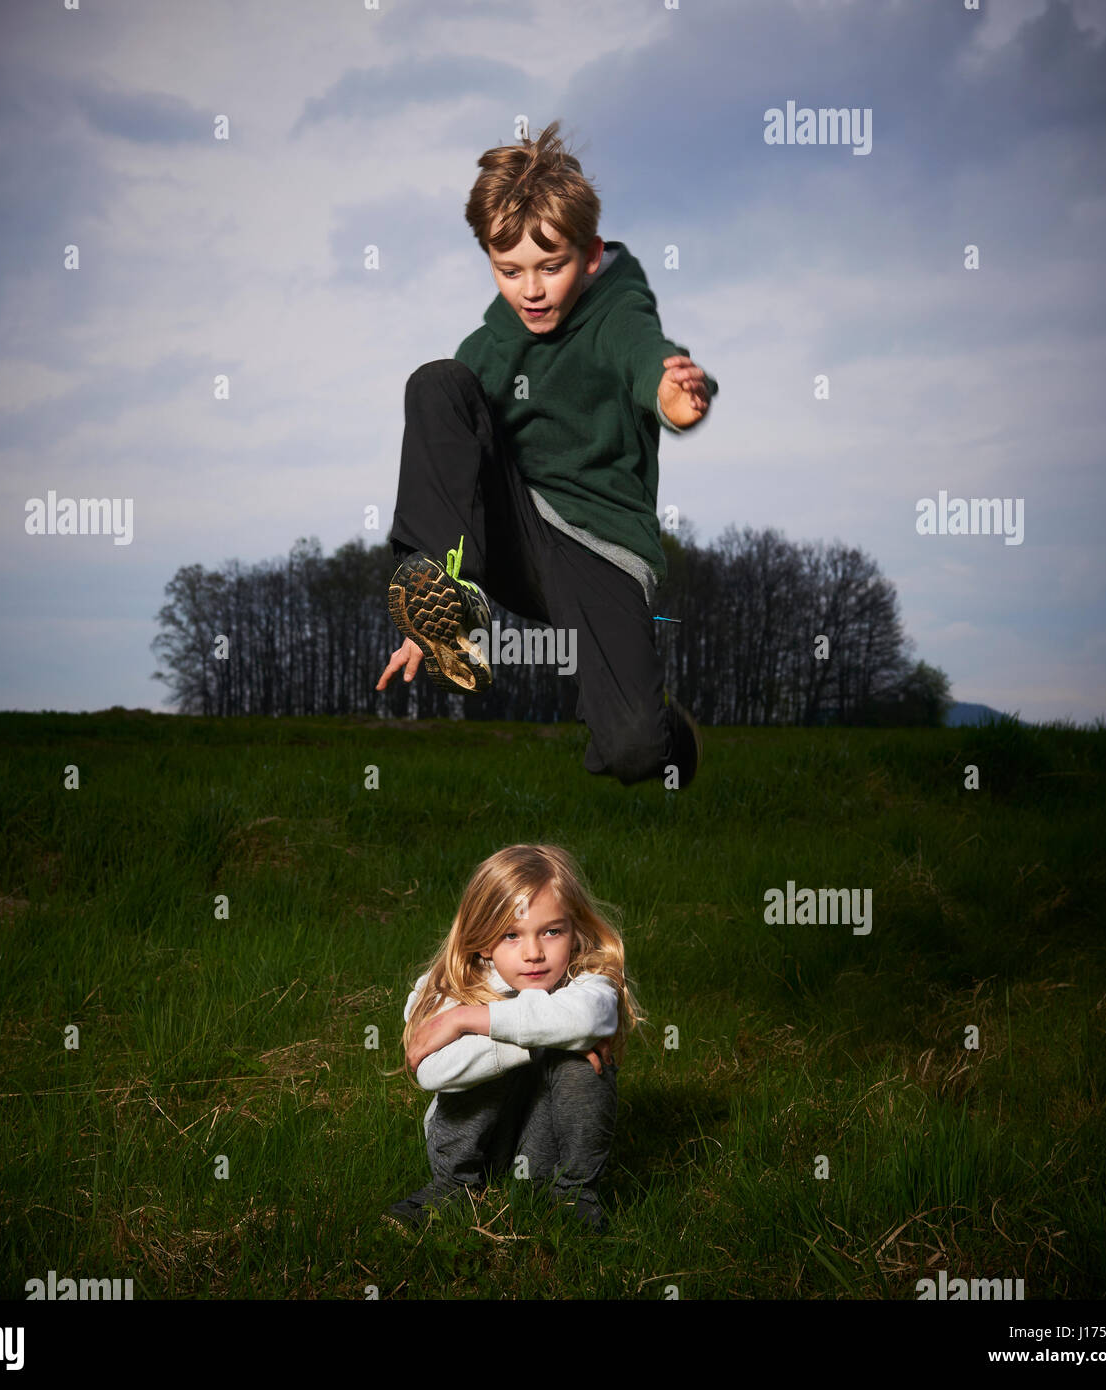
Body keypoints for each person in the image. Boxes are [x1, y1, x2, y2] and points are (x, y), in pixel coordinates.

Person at [377, 120, 717, 788]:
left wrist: (671, 396)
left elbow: (643, 353)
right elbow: (450, 452)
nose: (531, 290)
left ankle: (666, 729)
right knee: (440, 382)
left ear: (589, 257)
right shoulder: (489, 347)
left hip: (599, 552)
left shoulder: (617, 312)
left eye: (550, 267)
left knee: (637, 754)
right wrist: (426, 616)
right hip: (514, 536)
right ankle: (442, 593)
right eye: (510, 271)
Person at [387, 844, 643, 1234]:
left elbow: (594, 1016)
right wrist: (534, 1037)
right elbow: (432, 1072)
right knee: (496, 1058)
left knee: (582, 1063)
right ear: (483, 940)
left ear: (575, 933)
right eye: (511, 935)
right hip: (478, 1146)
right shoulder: (456, 987)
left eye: (552, 931)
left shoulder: (588, 980)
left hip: (544, 1150)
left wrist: (471, 1021)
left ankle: (574, 1196)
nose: (534, 953)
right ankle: (452, 1190)